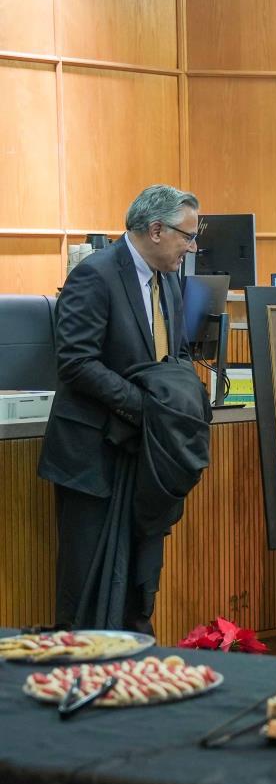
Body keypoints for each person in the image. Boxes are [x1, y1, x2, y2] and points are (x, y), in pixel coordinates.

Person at [38, 184, 206, 633]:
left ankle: (133, 678)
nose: (192, 247)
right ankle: (82, 681)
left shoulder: (168, 279)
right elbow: (75, 362)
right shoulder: (96, 274)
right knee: (89, 583)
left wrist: (182, 398)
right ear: (156, 230)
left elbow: (177, 354)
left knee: (137, 579)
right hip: (92, 456)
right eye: (188, 237)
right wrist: (147, 408)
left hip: (143, 455)